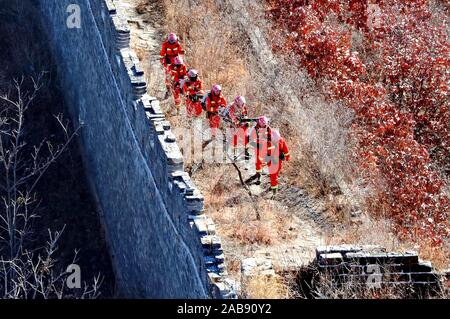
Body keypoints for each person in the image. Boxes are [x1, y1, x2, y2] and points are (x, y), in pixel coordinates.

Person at [247, 116, 290, 197]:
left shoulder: (270, 130)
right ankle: (259, 175)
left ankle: (274, 184)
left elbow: (277, 143)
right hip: (259, 147)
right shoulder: (254, 130)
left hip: (268, 152)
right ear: (259, 124)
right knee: (259, 162)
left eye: (265, 125)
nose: (264, 126)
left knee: (274, 171)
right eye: (263, 125)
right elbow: (251, 141)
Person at [223, 96, 250, 160]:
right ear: (237, 104)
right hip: (232, 124)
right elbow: (233, 120)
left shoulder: (244, 107)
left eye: (243, 104)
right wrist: (239, 122)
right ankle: (234, 153)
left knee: (246, 137)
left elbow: (245, 115)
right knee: (234, 138)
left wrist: (247, 121)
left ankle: (246, 152)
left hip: (240, 123)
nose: (243, 105)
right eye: (242, 104)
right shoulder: (231, 108)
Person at [160, 33, 185, 99]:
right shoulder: (165, 45)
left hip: (176, 62)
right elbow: (162, 53)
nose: (172, 42)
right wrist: (162, 61)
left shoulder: (177, 44)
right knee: (168, 77)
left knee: (178, 75)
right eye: (170, 41)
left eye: (173, 41)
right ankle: (168, 91)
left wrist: (182, 52)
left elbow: (180, 50)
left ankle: (178, 89)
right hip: (168, 62)